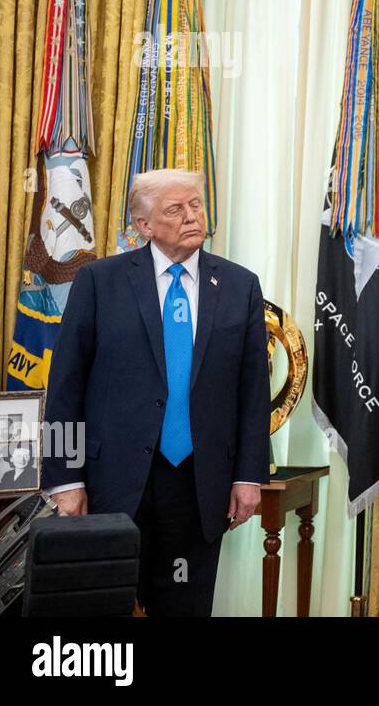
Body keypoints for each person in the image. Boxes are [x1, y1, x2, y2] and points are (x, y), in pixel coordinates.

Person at [42, 168, 270, 617]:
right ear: (143, 225)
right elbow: (64, 385)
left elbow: (252, 391)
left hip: (199, 484)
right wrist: (64, 478)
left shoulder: (240, 286)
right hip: (114, 483)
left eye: (196, 205)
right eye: (175, 209)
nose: (191, 216)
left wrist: (248, 476)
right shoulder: (98, 282)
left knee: (185, 603)